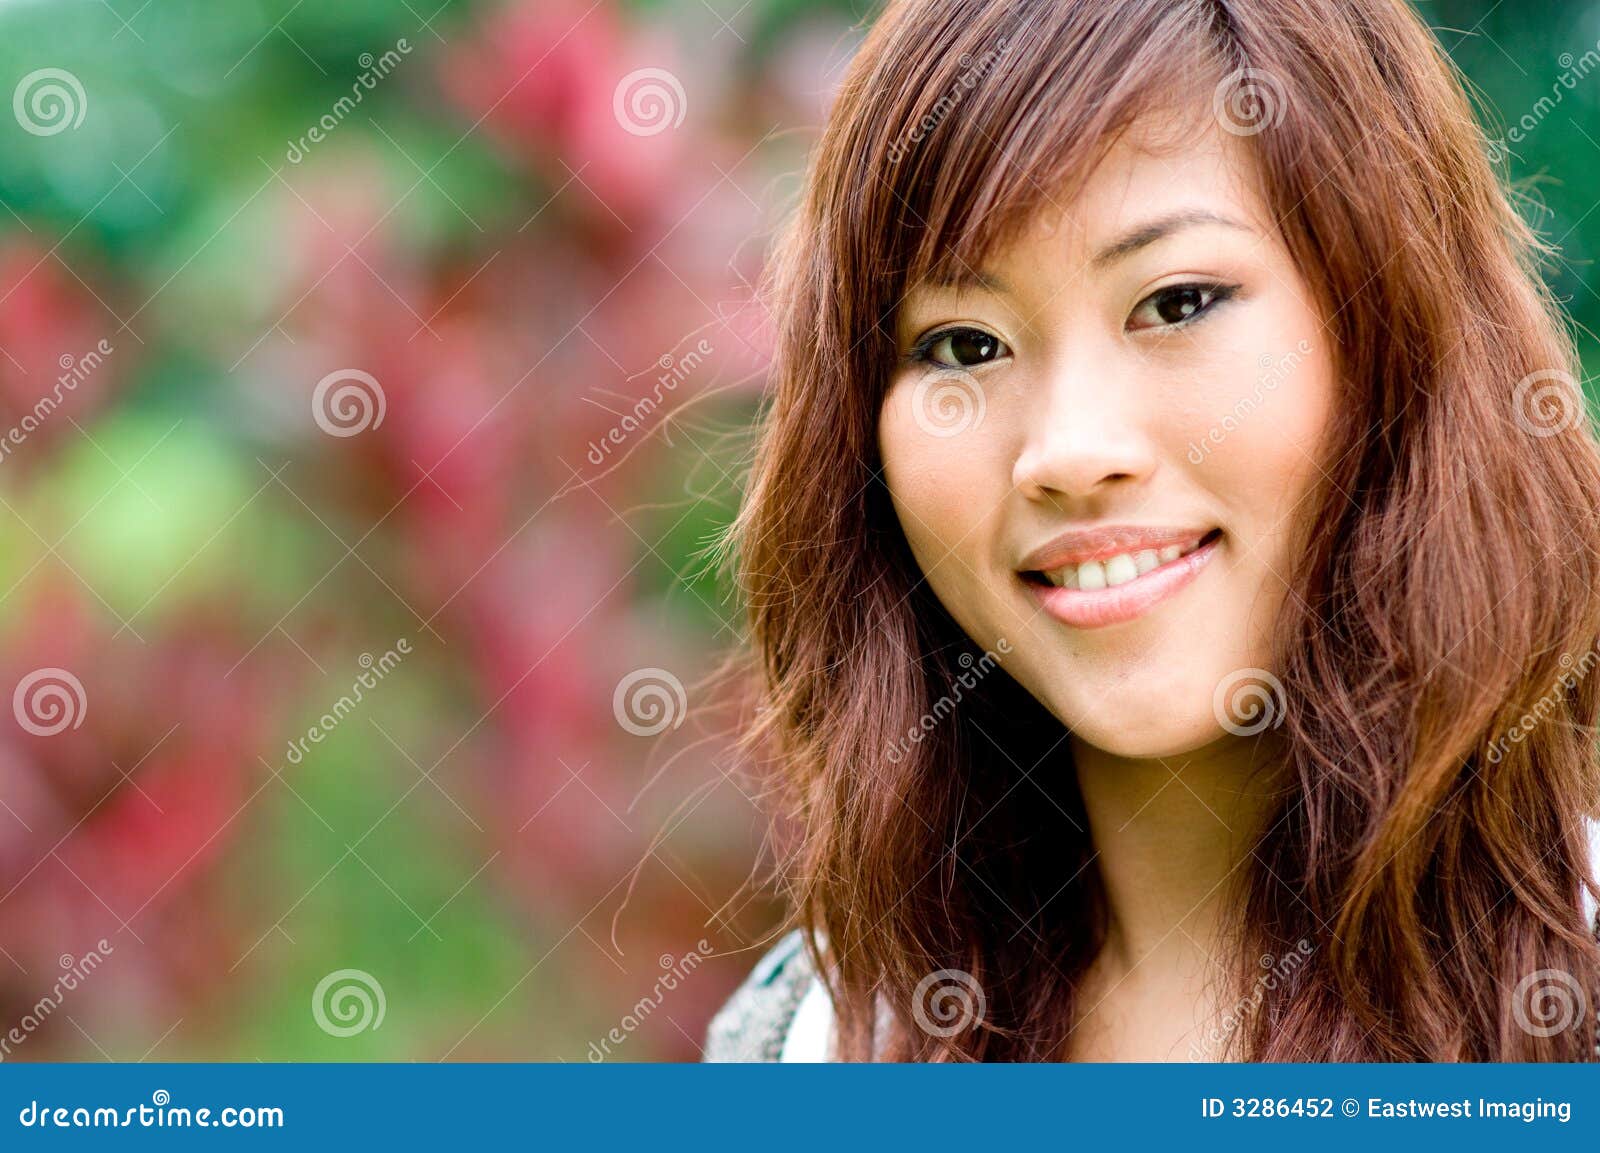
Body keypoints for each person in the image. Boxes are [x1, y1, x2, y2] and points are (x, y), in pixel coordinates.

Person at [707, 0, 1600, 1061]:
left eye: (1175, 302)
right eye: (961, 344)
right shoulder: (802, 1044)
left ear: (1392, 330)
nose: (1069, 450)